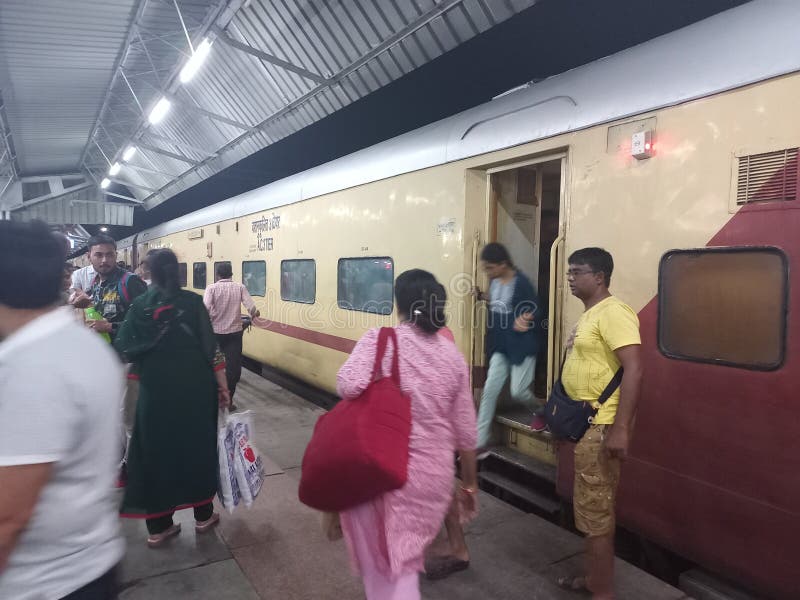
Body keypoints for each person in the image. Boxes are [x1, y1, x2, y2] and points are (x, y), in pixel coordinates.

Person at [0, 220, 124, 600]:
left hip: (43, 583)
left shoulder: (28, 366)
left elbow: (8, 518)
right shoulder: (83, 344)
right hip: (92, 560)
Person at [337, 269, 478, 600]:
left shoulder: (380, 340)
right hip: (431, 478)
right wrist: (469, 485)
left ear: (398, 304)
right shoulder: (452, 356)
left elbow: (347, 385)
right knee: (405, 560)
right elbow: (466, 431)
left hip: (380, 470)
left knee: (387, 568)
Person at [115, 249, 231, 547]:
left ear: (148, 272)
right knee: (197, 449)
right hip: (196, 391)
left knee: (156, 454)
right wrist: (223, 387)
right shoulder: (192, 301)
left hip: (155, 394)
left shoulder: (140, 305)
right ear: (177, 271)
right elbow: (211, 348)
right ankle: (203, 517)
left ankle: (159, 527)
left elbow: (124, 347)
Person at [556, 248, 642, 600]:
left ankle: (602, 591)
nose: (570, 278)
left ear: (599, 277)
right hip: (586, 426)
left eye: (577, 272)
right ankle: (594, 579)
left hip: (601, 427)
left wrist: (621, 428)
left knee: (597, 516)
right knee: (591, 512)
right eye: (569, 272)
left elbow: (634, 368)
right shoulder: (591, 314)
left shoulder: (613, 312)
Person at [473, 243, 545, 452]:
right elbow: (498, 301)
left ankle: (541, 411)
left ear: (503, 264)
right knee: (489, 391)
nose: (488, 272)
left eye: (490, 267)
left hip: (522, 345)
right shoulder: (495, 282)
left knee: (519, 391)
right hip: (501, 345)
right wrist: (481, 296)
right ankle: (480, 439)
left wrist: (525, 317)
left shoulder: (521, 283)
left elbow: (536, 307)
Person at [203, 262, 259, 408]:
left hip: (215, 334)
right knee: (233, 369)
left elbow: (205, 309)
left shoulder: (211, 288)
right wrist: (254, 314)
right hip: (234, 335)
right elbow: (252, 308)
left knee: (214, 366)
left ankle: (213, 398)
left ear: (217, 275)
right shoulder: (240, 287)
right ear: (231, 274)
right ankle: (229, 401)